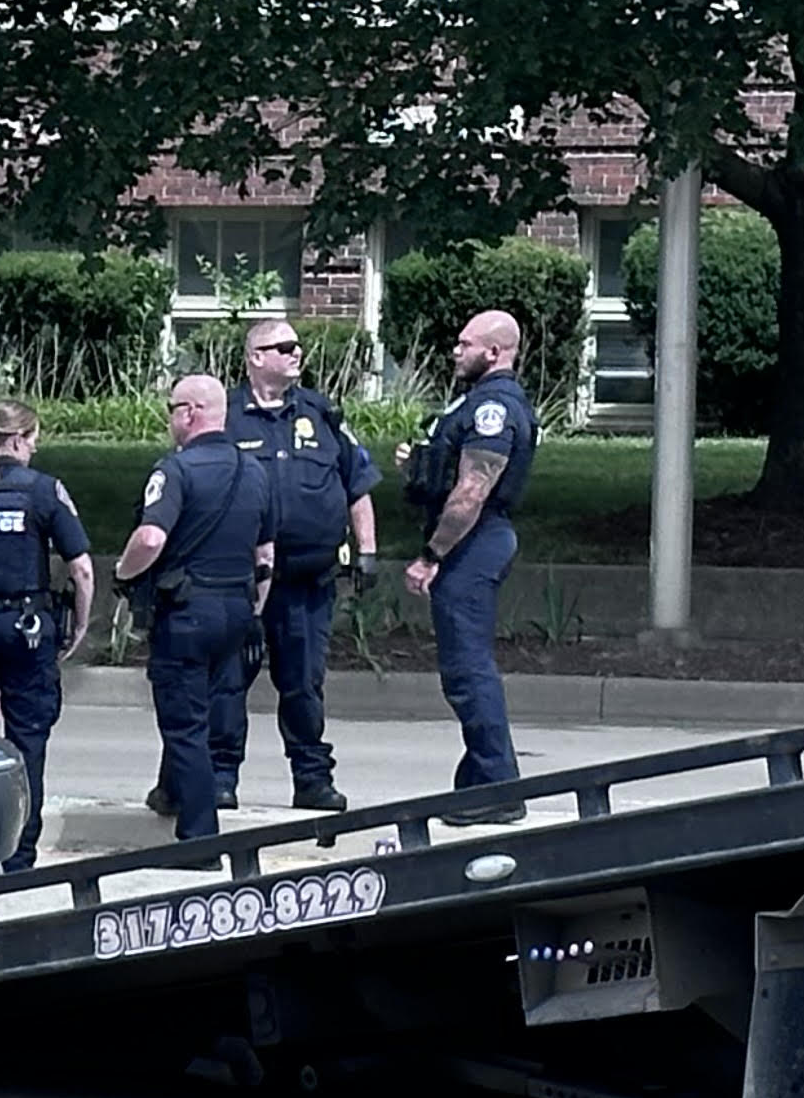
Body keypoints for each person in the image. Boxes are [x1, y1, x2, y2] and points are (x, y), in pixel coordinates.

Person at [217, 316, 377, 815]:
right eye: (284, 346)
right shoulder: (225, 416)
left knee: (304, 684)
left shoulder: (321, 413)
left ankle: (312, 779)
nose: (296, 353)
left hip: (307, 581)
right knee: (227, 681)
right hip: (241, 581)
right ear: (255, 357)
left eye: (298, 346)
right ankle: (219, 777)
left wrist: (367, 551)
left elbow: (358, 485)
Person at [112, 375, 272, 841]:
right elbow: (265, 554)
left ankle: (199, 836)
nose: (170, 419)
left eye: (171, 409)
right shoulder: (254, 471)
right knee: (209, 708)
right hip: (236, 609)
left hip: (186, 612)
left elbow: (150, 538)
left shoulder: (175, 470)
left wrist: (123, 572)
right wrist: (256, 611)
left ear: (189, 413)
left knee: (184, 724)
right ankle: (170, 791)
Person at [399, 305, 537, 809]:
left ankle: (497, 790)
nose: (456, 352)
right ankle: (478, 784)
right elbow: (454, 471)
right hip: (475, 539)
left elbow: (473, 490)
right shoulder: (476, 400)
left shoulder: (493, 407)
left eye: (465, 344)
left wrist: (431, 554)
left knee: (468, 670)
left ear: (494, 352)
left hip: (473, 542)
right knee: (465, 668)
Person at [0, 402, 92, 872]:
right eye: (32, 440)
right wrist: (81, 625)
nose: (35, 449)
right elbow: (82, 569)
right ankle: (20, 856)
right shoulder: (42, 490)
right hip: (26, 628)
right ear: (15, 440)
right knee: (29, 742)